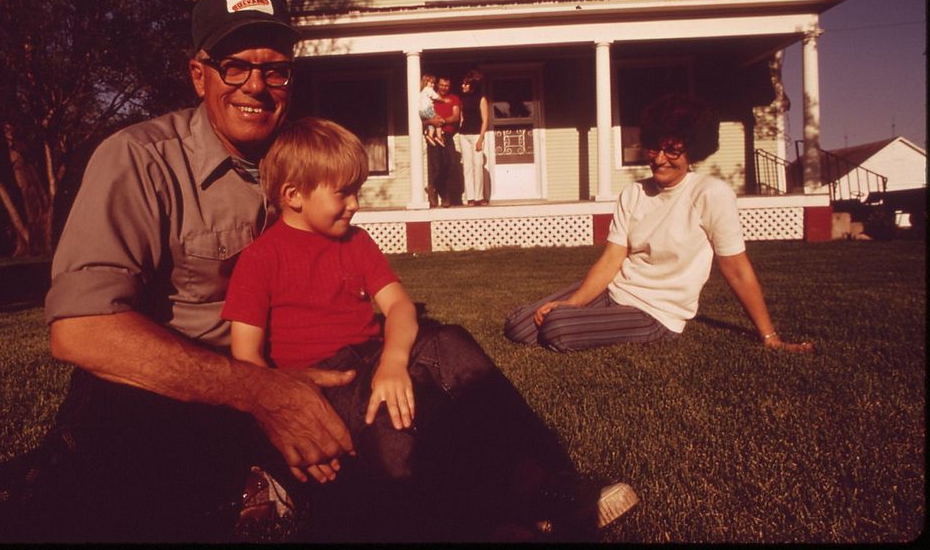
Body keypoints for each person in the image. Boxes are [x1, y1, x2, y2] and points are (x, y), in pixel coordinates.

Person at [0, 0, 359, 543]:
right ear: (198, 74)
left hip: (281, 379)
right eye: (235, 67)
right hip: (160, 398)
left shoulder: (303, 160)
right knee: (35, 516)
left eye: (275, 70)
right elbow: (81, 332)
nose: (257, 85)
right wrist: (262, 393)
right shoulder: (139, 158)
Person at [222, 116, 639, 542]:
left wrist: (394, 360)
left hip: (375, 358)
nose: (354, 204)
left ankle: (549, 478)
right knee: (399, 439)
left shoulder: (356, 241)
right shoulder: (260, 260)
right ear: (293, 195)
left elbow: (399, 306)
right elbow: (246, 357)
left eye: (357, 191)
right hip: (327, 385)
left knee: (447, 342)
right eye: (343, 192)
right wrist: (289, 413)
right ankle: (492, 524)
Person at [504, 94, 816, 355]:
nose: (660, 159)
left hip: (656, 313)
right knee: (520, 323)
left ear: (692, 151)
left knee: (557, 328)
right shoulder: (634, 192)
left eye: (673, 150)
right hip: (616, 292)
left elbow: (737, 269)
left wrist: (769, 337)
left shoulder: (711, 194)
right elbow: (611, 260)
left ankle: (574, 320)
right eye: (654, 148)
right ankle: (574, 315)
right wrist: (570, 303)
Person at [423, 76, 461, 207]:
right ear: (437, 85)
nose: (444, 88)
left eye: (447, 86)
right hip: (433, 137)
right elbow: (422, 118)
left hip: (448, 136)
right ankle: (443, 195)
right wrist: (431, 122)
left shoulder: (454, 99)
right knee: (436, 167)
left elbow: (456, 117)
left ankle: (433, 187)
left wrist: (442, 121)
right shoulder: (429, 99)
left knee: (450, 164)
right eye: (442, 85)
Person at [457, 68, 489, 205]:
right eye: (462, 83)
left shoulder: (481, 99)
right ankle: (470, 198)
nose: (462, 86)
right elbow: (461, 117)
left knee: (477, 164)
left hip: (477, 134)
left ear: (472, 85)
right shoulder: (462, 99)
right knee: (467, 166)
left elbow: (485, 120)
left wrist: (481, 139)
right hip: (464, 135)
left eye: (465, 84)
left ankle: (479, 197)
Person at [418, 73, 445, 146]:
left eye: (434, 83)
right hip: (427, 109)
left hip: (421, 112)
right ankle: (439, 137)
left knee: (432, 124)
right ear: (426, 82)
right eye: (431, 83)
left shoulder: (422, 91)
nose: (433, 85)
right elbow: (436, 97)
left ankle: (430, 136)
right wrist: (444, 100)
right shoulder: (428, 89)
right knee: (438, 121)